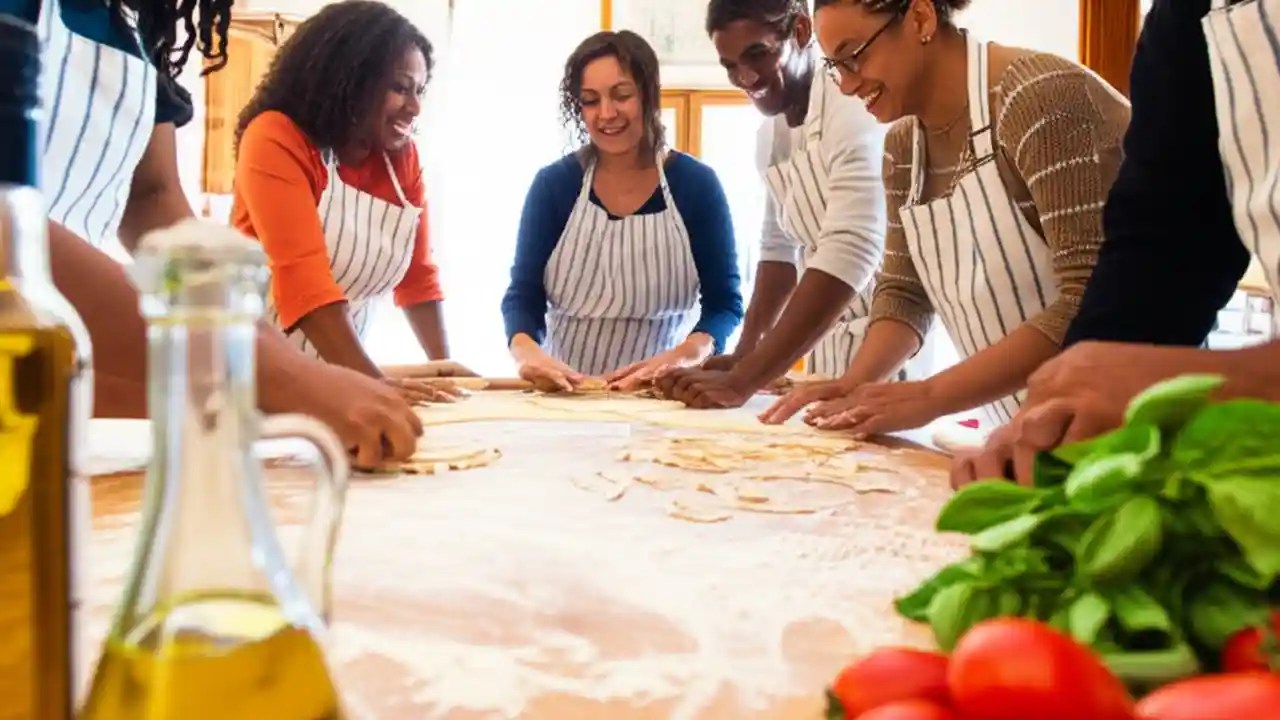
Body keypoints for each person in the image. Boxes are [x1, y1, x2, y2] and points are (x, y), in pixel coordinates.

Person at [6, 0, 423, 467]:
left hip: (57, 355)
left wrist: (269, 372)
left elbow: (153, 197)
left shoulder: (136, 31)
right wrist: (280, 375)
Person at [757, 0, 1131, 435]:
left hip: (1126, 435)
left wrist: (930, 397)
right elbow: (905, 294)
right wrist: (853, 386)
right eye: (835, 66)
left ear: (920, 18)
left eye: (854, 56)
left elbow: (1090, 299)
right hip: (1022, 434)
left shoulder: (1040, 101)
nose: (846, 85)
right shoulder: (903, 149)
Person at [952, 0, 1280, 488]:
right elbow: (1158, 252)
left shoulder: (1043, 96)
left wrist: (1206, 386)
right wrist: (1061, 408)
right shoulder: (1187, 19)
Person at [658, 0, 887, 409]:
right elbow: (778, 252)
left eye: (758, 54)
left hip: (888, 353)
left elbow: (851, 250)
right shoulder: (771, 137)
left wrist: (747, 378)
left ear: (800, 32)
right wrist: (746, 353)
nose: (745, 77)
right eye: (729, 65)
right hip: (827, 346)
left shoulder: (851, 109)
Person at [233, 1, 469, 383]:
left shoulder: (401, 159)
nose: (414, 107)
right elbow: (306, 288)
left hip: (342, 374)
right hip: (255, 375)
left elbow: (417, 278)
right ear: (350, 78)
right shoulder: (275, 139)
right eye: (400, 88)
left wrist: (446, 371)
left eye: (419, 91)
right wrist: (372, 386)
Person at [501, 30, 744, 390]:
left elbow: (724, 304)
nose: (607, 114)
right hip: (566, 393)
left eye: (621, 95)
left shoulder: (696, 186)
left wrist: (686, 355)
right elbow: (523, 295)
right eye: (590, 100)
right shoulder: (555, 186)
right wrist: (528, 353)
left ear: (648, 94)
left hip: (665, 391)